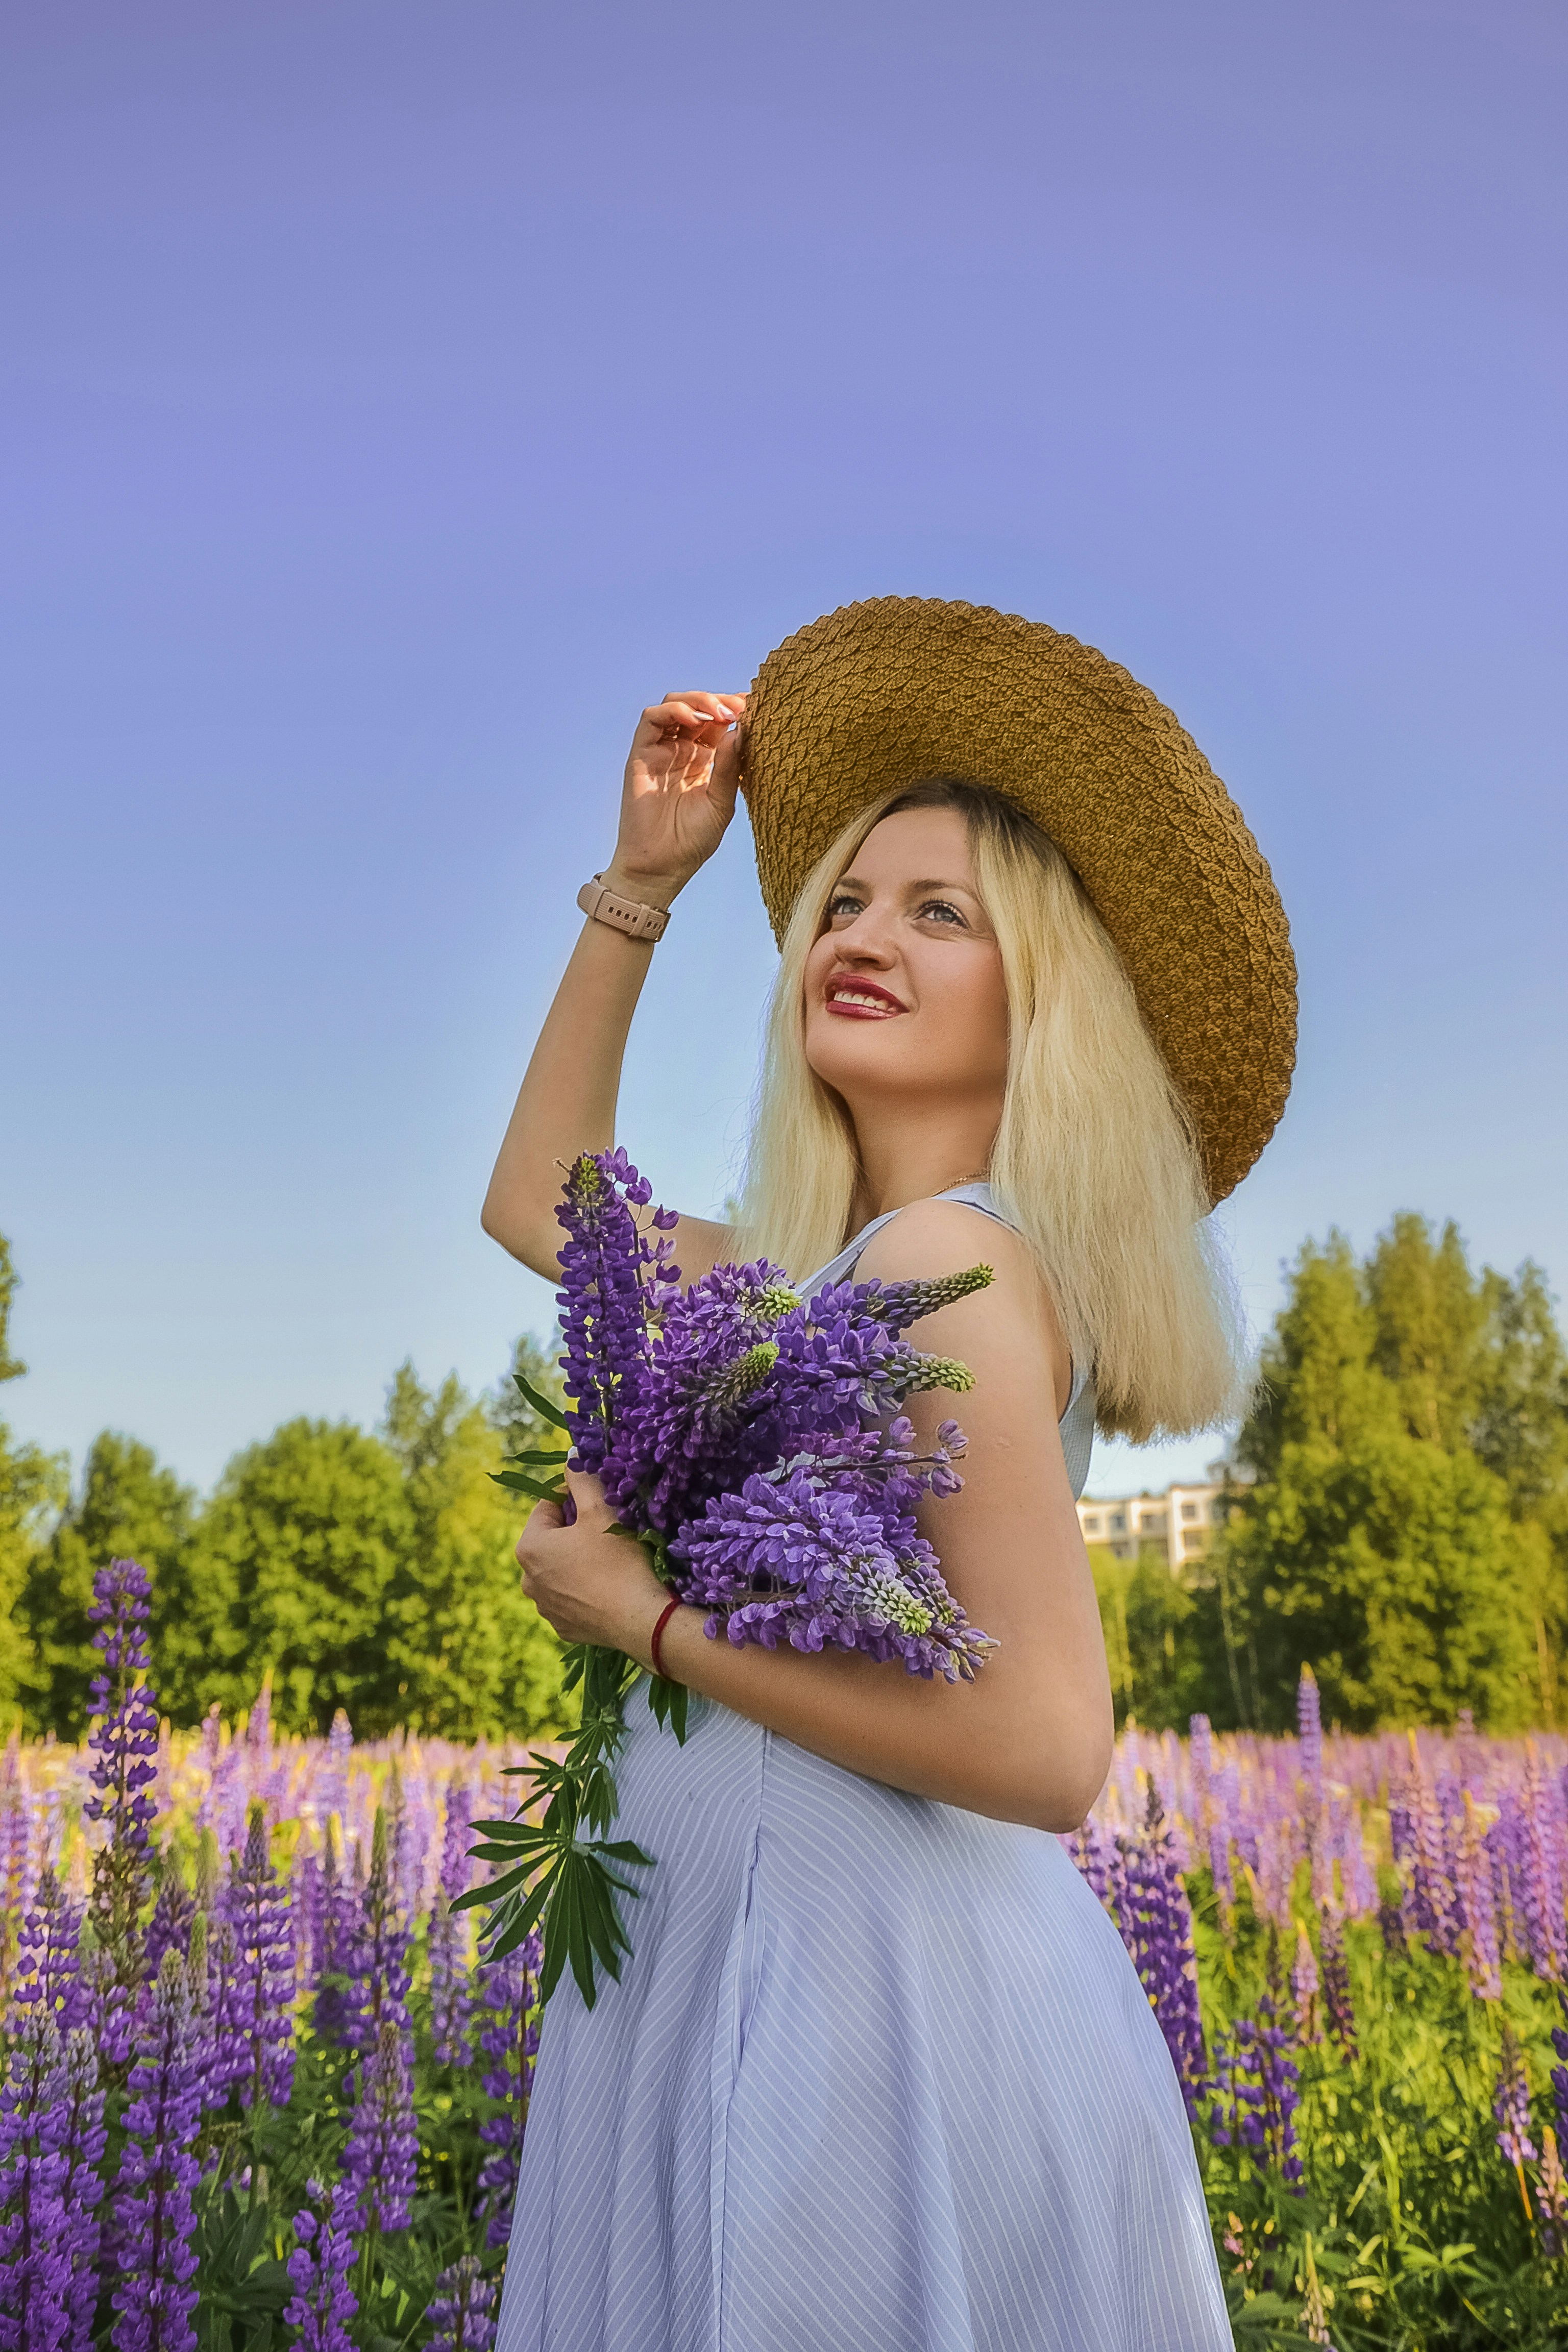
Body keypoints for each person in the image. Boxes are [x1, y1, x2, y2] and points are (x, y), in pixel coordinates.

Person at [480, 597, 1296, 2352]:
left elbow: (1046, 1747)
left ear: (1046, 1001)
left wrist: (652, 1620)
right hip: (806, 1982)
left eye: (946, 913)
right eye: (844, 899)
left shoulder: (956, 1265)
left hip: (865, 2029)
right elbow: (544, 1197)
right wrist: (647, 880)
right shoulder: (846, 1272)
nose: (862, 932)